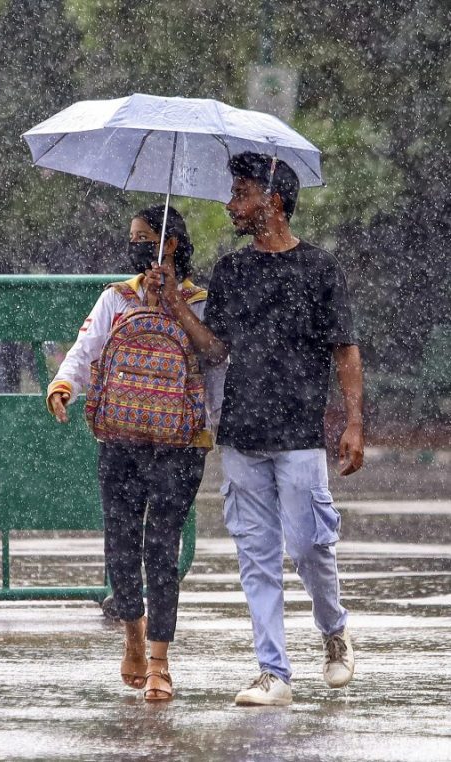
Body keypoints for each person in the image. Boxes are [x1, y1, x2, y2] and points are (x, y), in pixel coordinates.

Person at [149, 152, 363, 707]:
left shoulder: (320, 269)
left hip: (299, 436)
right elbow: (216, 349)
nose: (231, 204)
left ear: (273, 202)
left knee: (312, 545)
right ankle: (273, 671)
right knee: (256, 555)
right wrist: (174, 303)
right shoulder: (231, 271)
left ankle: (333, 632)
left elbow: (345, 349)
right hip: (242, 434)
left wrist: (354, 421)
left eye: (241, 194)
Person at [46, 205, 223, 701]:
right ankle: (133, 636)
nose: (136, 245)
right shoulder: (117, 298)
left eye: (144, 237)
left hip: (180, 444)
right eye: (133, 238)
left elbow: (215, 357)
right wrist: (64, 383)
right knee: (121, 541)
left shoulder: (202, 300)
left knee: (161, 547)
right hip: (119, 438)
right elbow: (86, 348)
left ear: (169, 243)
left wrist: (174, 305)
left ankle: (160, 661)